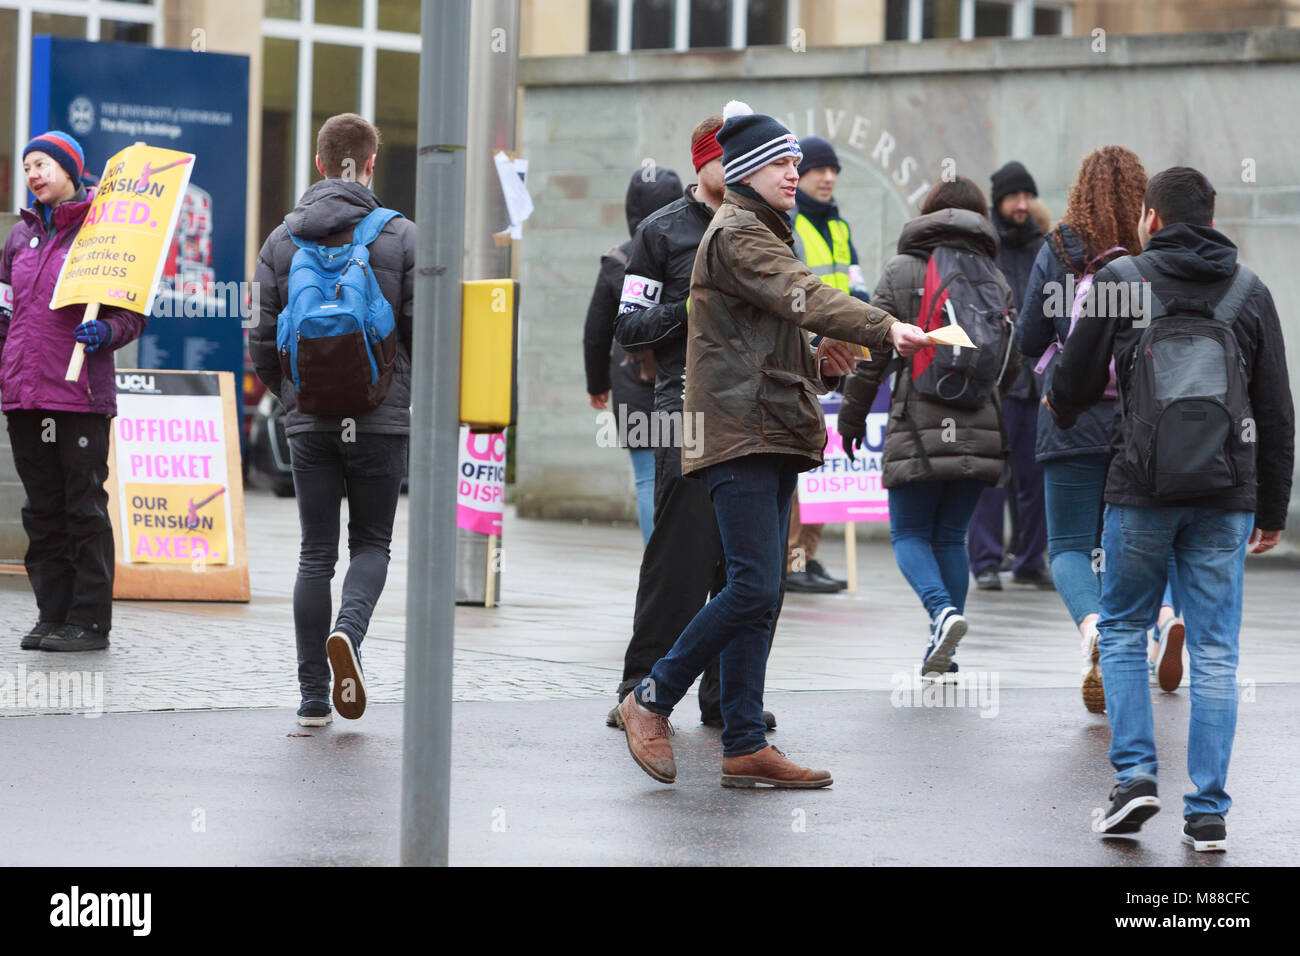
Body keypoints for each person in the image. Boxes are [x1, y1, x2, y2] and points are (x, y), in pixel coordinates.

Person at [615, 101, 930, 788]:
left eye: (797, 163)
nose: (799, 174)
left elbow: (773, 334)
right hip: (734, 429)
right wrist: (884, 327)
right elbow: (801, 293)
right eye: (786, 164)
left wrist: (822, 359)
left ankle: (745, 739)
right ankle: (650, 698)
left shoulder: (764, 228)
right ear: (751, 170)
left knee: (756, 588)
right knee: (748, 582)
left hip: (770, 426)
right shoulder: (737, 233)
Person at [1047, 166, 1294, 851]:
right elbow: (1276, 411)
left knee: (1124, 629)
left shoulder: (1122, 281)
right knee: (1216, 649)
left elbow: (1071, 377)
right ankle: (1209, 811)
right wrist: (1271, 507)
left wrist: (1061, 409)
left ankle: (1134, 779)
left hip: (1141, 488)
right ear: (1211, 222)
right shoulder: (1250, 292)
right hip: (1226, 495)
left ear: (1151, 219)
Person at [608, 115, 777, 732]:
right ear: (703, 162)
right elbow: (629, 328)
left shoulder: (767, 228)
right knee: (678, 555)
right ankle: (640, 687)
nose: (738, 173)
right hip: (685, 410)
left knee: (745, 566)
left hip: (757, 415)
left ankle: (728, 698)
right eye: (728, 161)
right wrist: (693, 305)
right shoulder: (661, 233)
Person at [250, 113, 416, 728]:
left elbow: (261, 337)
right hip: (377, 421)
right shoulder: (400, 236)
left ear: (319, 164)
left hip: (311, 422)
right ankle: (349, 632)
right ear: (369, 164)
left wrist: (293, 398)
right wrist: (395, 395)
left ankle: (313, 697)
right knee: (371, 544)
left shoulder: (280, 241)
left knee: (314, 553)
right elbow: (423, 333)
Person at [839, 176, 1018, 678]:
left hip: (919, 419)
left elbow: (872, 354)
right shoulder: (994, 276)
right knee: (951, 536)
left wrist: (851, 420)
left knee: (910, 533)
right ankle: (946, 648)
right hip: (981, 424)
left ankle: (941, 613)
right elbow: (1014, 363)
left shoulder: (901, 269)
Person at [0, 131, 147, 652]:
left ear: (69, 169)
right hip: (24, 395)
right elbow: (5, 307)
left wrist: (107, 332)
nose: (33, 174)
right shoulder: (19, 237)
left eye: (42, 164)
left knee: (82, 507)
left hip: (77, 392)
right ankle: (52, 615)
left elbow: (131, 313)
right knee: (42, 510)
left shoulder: (103, 232)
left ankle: (89, 621)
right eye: (26, 167)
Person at [1015, 145, 1148, 713]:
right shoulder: (1148, 253)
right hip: (1137, 423)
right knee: (1127, 541)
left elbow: (1027, 341)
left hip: (1066, 417)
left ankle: (1093, 630)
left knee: (1069, 546)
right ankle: (1154, 629)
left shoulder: (1058, 251)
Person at [784, 136, 871, 594]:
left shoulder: (838, 226)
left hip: (841, 357)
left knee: (825, 467)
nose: (828, 177)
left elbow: (858, 289)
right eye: (819, 169)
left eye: (833, 170)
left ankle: (806, 556)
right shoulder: (789, 223)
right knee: (802, 466)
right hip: (807, 357)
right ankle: (791, 561)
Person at [582, 165, 682, 545]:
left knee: (646, 477)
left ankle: (656, 564)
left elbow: (595, 333)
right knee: (686, 478)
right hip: (684, 382)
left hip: (633, 382)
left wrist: (598, 385)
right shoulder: (687, 254)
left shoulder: (617, 261)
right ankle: (685, 566)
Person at [968, 161, 1052, 591]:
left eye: (1026, 197)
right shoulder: (985, 248)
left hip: (1036, 384)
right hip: (996, 382)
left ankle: (1030, 559)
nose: (1021, 205)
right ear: (998, 200)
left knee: (1036, 477)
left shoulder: (1046, 248)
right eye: (1013, 197)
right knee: (989, 477)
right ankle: (985, 560)